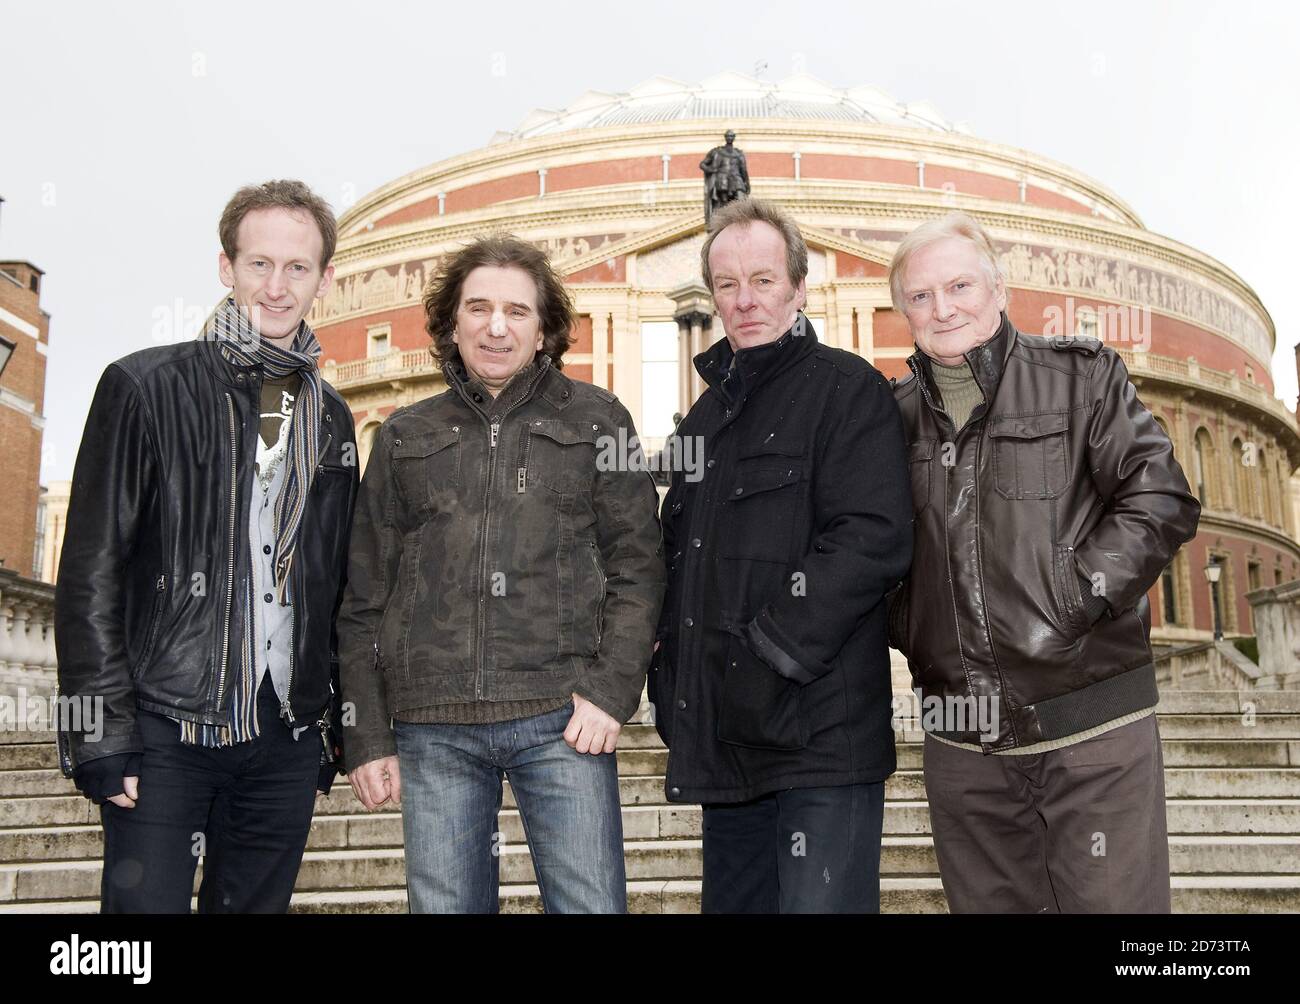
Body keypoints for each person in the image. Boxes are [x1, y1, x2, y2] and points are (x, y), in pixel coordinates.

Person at [55, 179, 358, 913]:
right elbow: (91, 568)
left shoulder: (333, 418)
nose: (276, 287)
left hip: (283, 733)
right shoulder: (143, 384)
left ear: (322, 278)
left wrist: (331, 730)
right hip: (166, 724)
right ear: (226, 267)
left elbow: (337, 582)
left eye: (297, 268)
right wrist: (95, 733)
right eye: (259, 264)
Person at [337, 235, 664, 914]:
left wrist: (610, 690)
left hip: (562, 715)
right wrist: (366, 734)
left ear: (543, 328)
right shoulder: (402, 436)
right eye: (478, 308)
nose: (495, 326)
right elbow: (364, 596)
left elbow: (640, 567)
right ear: (451, 323)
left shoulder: (597, 419)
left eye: (517, 311)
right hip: (432, 724)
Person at [886, 212, 1200, 913]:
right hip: (961, 743)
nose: (944, 308)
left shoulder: (1080, 378)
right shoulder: (890, 417)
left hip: (1092, 730)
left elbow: (1160, 495)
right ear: (902, 310)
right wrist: (911, 625)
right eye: (921, 296)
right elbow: (870, 548)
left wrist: (1073, 596)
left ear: (999, 291)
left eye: (960, 285)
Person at [651, 197, 912, 913]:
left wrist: (765, 655)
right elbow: (679, 562)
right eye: (728, 285)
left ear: (798, 288)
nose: (745, 300)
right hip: (726, 744)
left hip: (818, 741)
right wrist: (668, 673)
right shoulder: (703, 419)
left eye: (764, 280)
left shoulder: (847, 388)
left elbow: (872, 537)